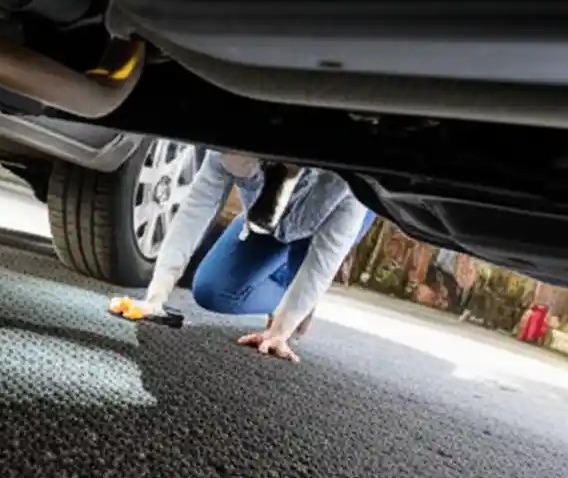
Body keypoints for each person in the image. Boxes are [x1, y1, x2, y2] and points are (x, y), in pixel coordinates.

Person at [114, 151, 375, 362]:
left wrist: (280, 330)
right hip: (269, 221)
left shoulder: (350, 184)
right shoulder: (232, 147)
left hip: (322, 220)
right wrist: (156, 297)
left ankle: (293, 293)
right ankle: (283, 283)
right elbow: (195, 210)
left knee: (296, 313)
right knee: (212, 291)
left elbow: (327, 255)